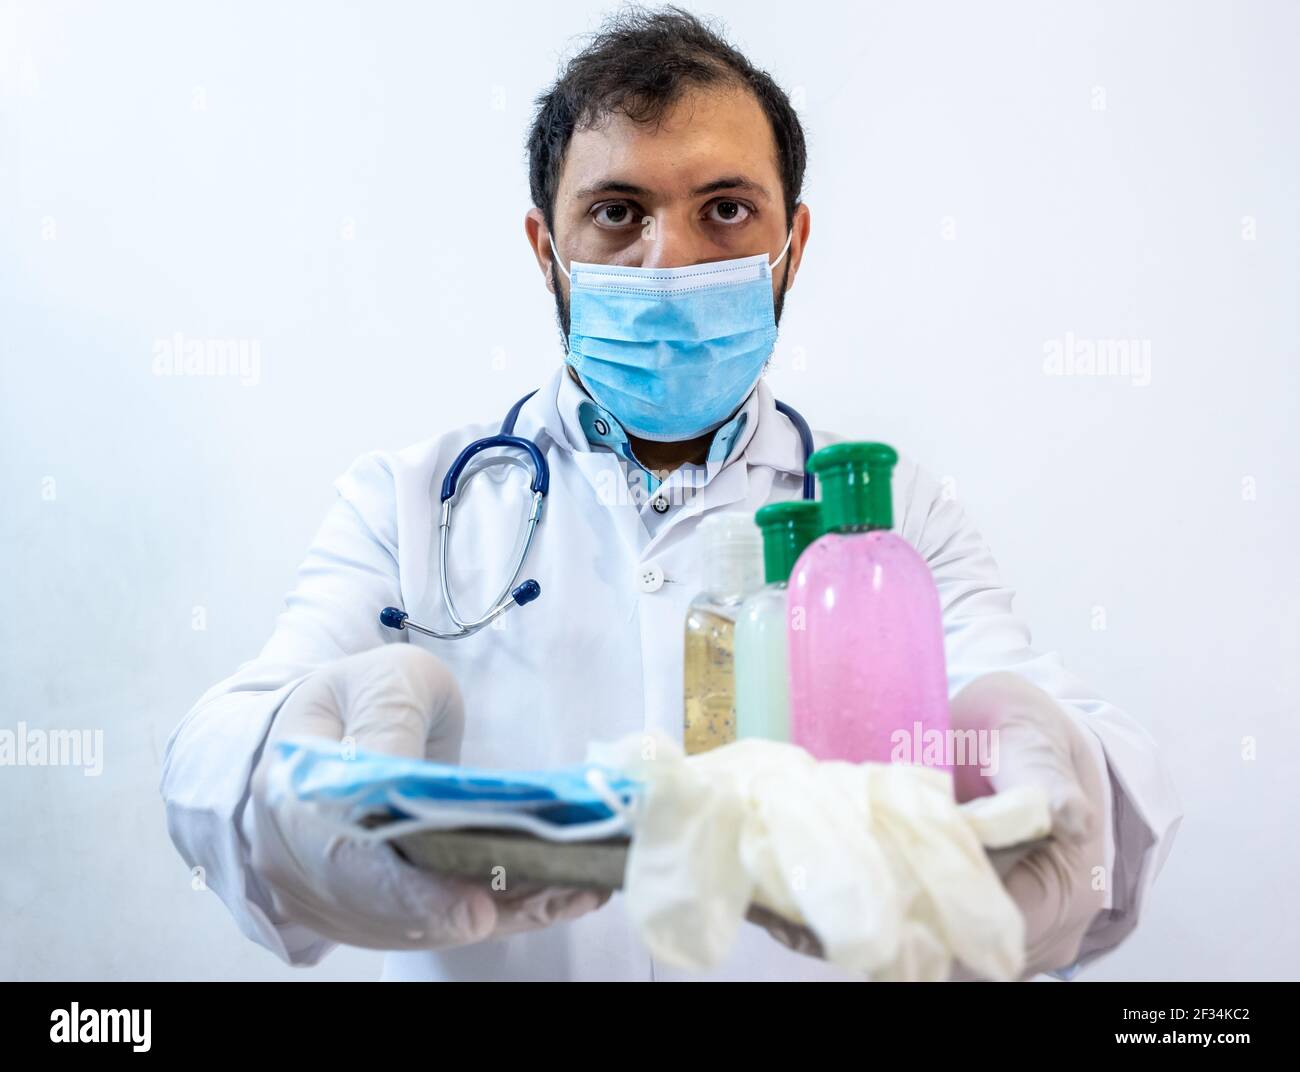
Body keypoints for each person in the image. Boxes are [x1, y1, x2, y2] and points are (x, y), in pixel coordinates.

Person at [160, 7, 1181, 982]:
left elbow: (1095, 779)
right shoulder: (408, 501)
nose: (671, 260)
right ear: (544, 249)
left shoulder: (892, 516)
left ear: (793, 243)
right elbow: (212, 760)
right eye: (617, 213)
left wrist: (1059, 762)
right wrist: (281, 769)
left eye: (725, 210)